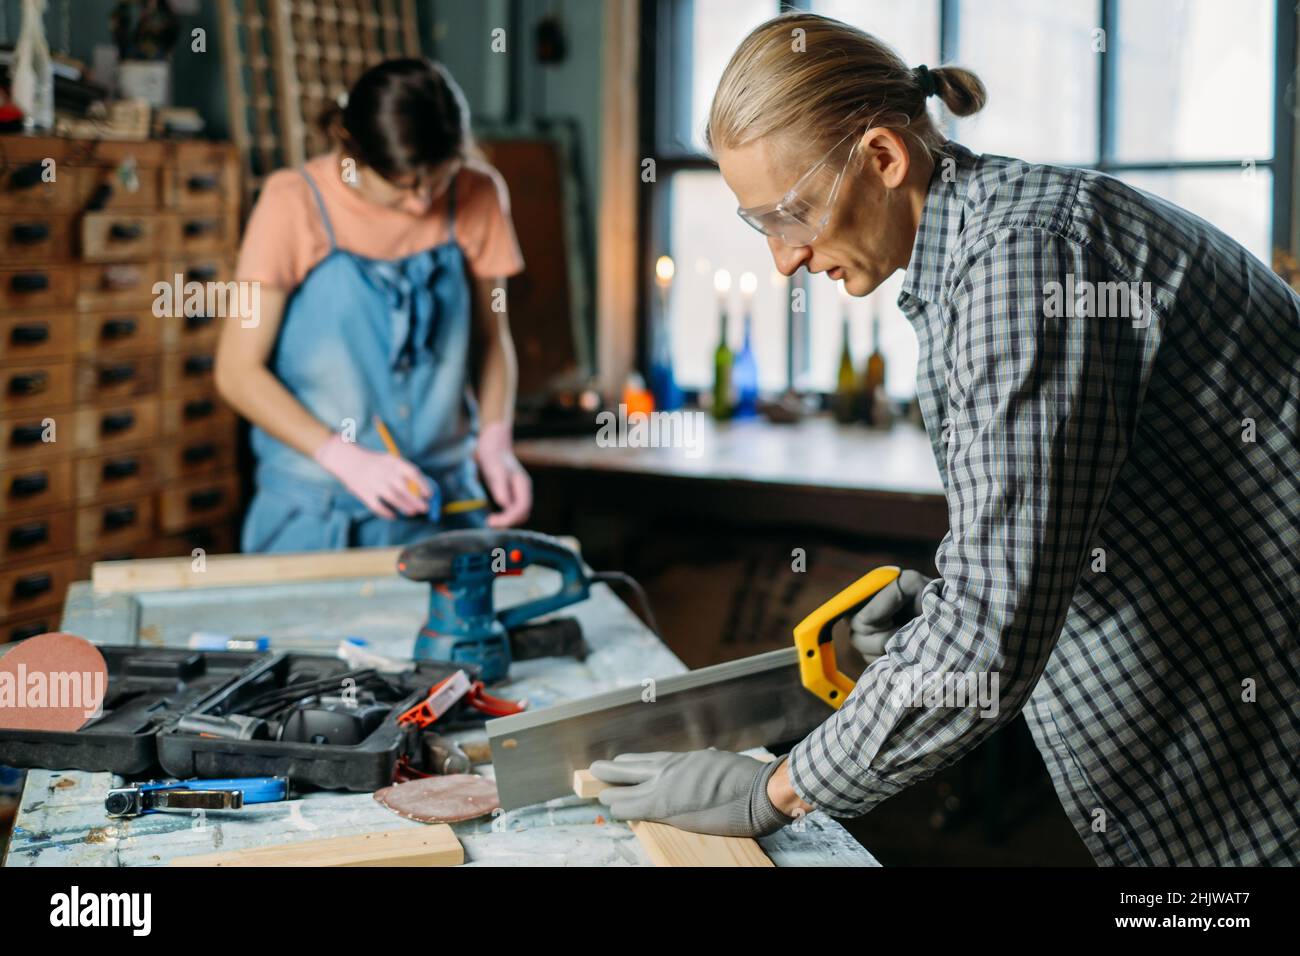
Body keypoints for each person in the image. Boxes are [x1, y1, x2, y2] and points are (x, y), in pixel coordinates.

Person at [590, 13, 1299, 865]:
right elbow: (1063, 539)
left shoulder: (1022, 264)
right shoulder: (976, 254)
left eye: (791, 213)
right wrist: (944, 609)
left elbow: (995, 632)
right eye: (759, 226)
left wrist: (769, 790)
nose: (783, 258)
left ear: (884, 159)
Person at [216, 58, 532, 551]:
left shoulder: (479, 193)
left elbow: (493, 341)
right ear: (355, 154)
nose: (422, 203)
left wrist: (495, 440)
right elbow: (237, 371)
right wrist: (344, 457)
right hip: (316, 511)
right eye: (404, 187)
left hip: (442, 503)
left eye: (438, 179)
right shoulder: (292, 203)